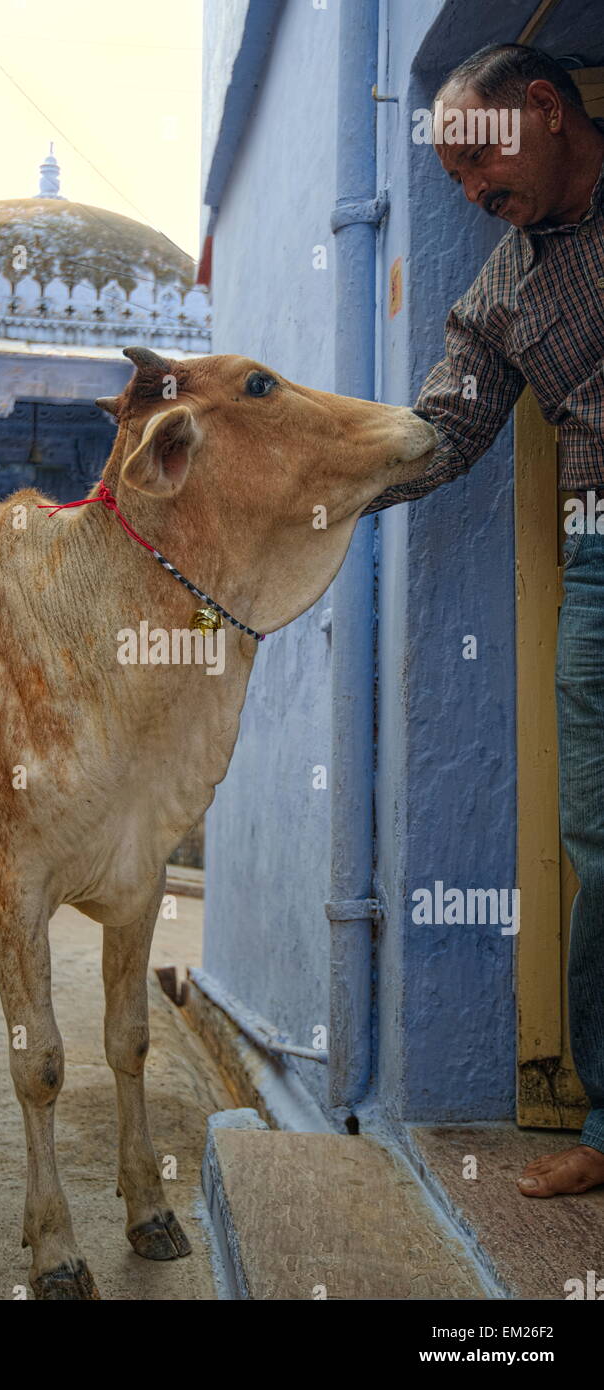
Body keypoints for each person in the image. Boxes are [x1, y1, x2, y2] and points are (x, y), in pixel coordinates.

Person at [362, 43, 604, 1197]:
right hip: (596, 563)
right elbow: (439, 433)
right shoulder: (499, 291)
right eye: (450, 177)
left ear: (544, 110)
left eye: (478, 160)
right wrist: (317, 485)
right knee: (598, 840)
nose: (468, 190)